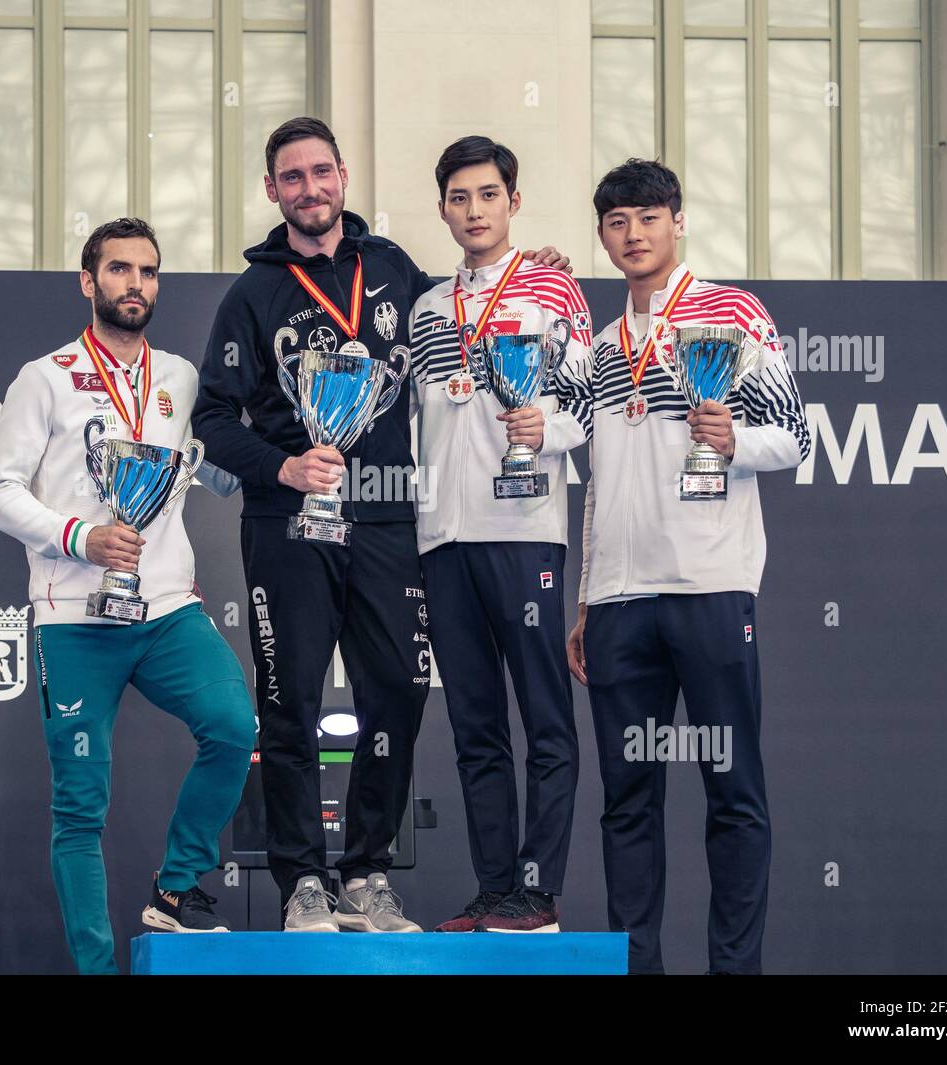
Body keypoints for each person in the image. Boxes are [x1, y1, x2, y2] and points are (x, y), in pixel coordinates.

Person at [193, 117, 569, 932]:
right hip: (289, 522)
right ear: (272, 192)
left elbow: (474, 305)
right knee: (289, 699)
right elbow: (214, 420)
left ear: (344, 176)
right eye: (291, 177)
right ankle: (304, 880)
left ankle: (365, 872)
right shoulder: (251, 295)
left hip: (392, 517)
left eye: (321, 172)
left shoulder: (397, 271)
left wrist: (531, 270)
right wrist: (284, 467)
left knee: (397, 690)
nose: (310, 188)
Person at [0, 217, 255, 973]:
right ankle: (98, 971)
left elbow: (219, 469)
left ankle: (174, 889)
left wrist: (283, 454)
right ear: (87, 279)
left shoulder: (180, 379)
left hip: (166, 608)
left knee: (233, 724)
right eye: (120, 269)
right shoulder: (45, 377)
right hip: (74, 618)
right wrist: (79, 536)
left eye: (148, 272)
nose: (136, 284)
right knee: (79, 809)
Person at [566, 158, 810, 973]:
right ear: (603, 236)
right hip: (620, 603)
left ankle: (734, 970)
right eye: (616, 222)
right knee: (628, 801)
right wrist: (586, 599)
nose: (633, 234)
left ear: (677, 220)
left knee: (732, 794)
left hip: (708, 588)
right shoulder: (602, 347)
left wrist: (735, 440)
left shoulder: (732, 312)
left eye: (647, 217)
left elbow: (795, 438)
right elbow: (597, 483)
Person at [408, 136, 594, 933]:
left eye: (488, 195)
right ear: (444, 206)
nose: (474, 210)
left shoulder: (555, 292)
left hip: (524, 528)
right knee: (475, 725)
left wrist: (540, 424)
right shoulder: (424, 311)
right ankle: (495, 890)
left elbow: (585, 406)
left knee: (544, 715)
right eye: (459, 197)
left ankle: (539, 890)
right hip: (444, 536)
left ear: (513, 202)